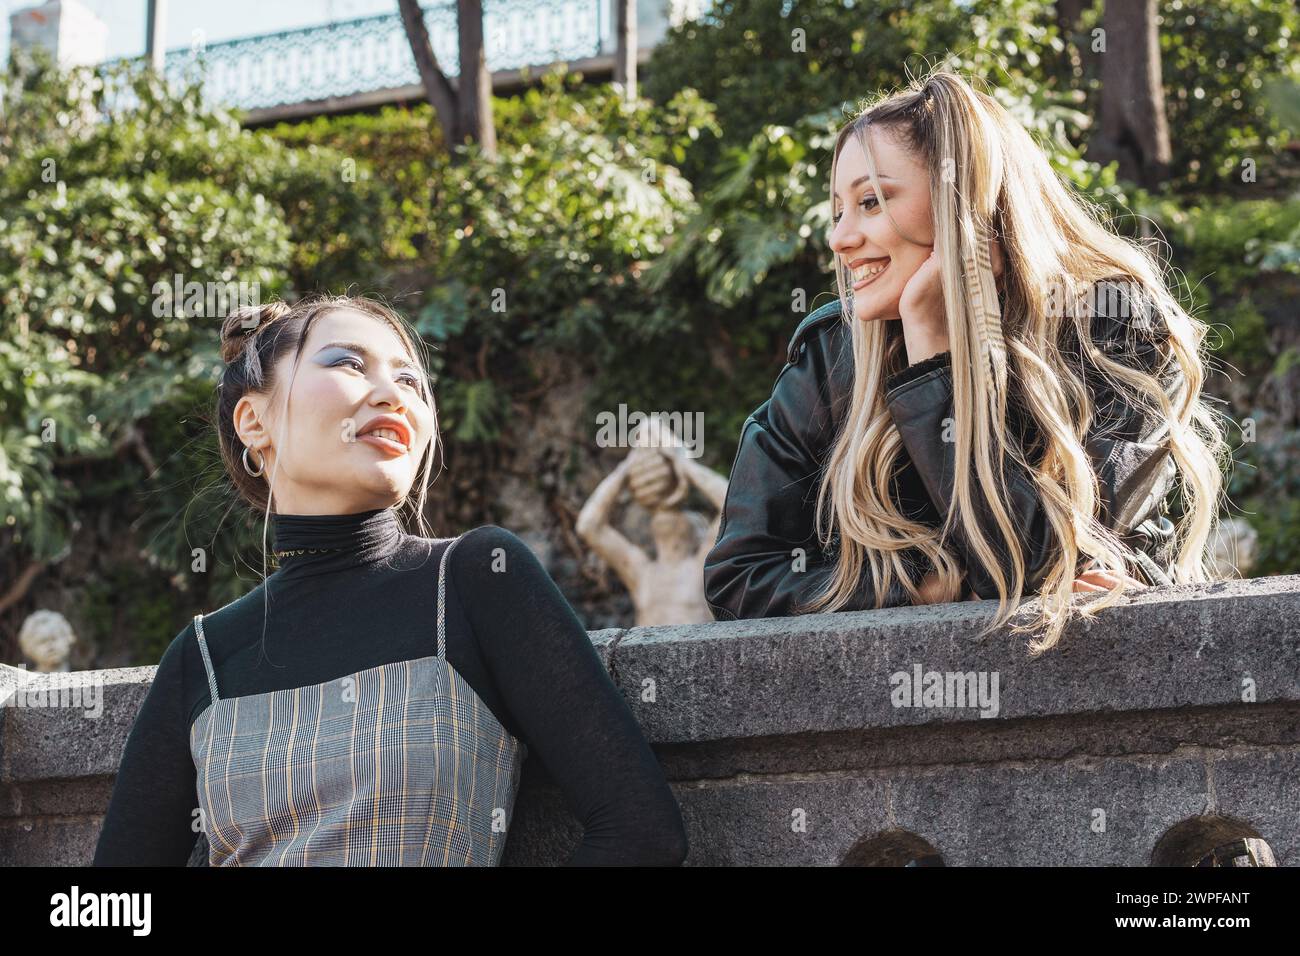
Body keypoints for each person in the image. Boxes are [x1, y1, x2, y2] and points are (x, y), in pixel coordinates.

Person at [93, 294, 688, 866]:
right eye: (349, 363)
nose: (394, 395)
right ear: (255, 421)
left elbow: (640, 833)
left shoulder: (472, 579)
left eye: (410, 381)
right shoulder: (205, 655)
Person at [704, 70, 1227, 655]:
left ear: (965, 203)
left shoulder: (1111, 327)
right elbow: (740, 577)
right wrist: (925, 590)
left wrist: (931, 350)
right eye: (838, 210)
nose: (840, 238)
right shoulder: (832, 356)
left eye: (872, 202)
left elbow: (1041, 567)